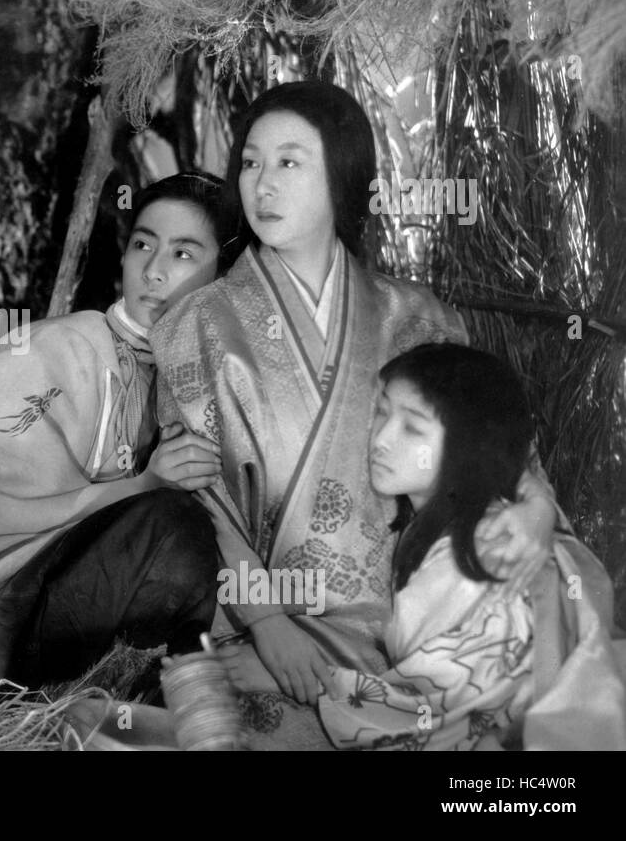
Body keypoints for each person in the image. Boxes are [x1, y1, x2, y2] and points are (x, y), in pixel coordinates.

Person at [151, 81, 559, 706]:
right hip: (258, 632)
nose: (262, 184)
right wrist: (269, 625)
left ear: (342, 174)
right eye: (251, 162)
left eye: (289, 161)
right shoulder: (196, 325)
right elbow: (193, 501)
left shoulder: (420, 317)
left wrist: (535, 506)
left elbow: (494, 447)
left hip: (418, 617)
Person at [0, 172, 235, 688]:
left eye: (183, 254)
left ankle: (146, 693)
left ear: (222, 278)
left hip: (63, 605)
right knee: (173, 525)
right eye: (142, 245)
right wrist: (146, 484)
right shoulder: (66, 350)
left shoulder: (181, 377)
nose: (153, 271)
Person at [222, 343, 626, 750]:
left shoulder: (478, 554)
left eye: (412, 427)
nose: (380, 439)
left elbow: (448, 714)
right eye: (381, 411)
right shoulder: (458, 525)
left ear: (468, 445)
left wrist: (317, 684)